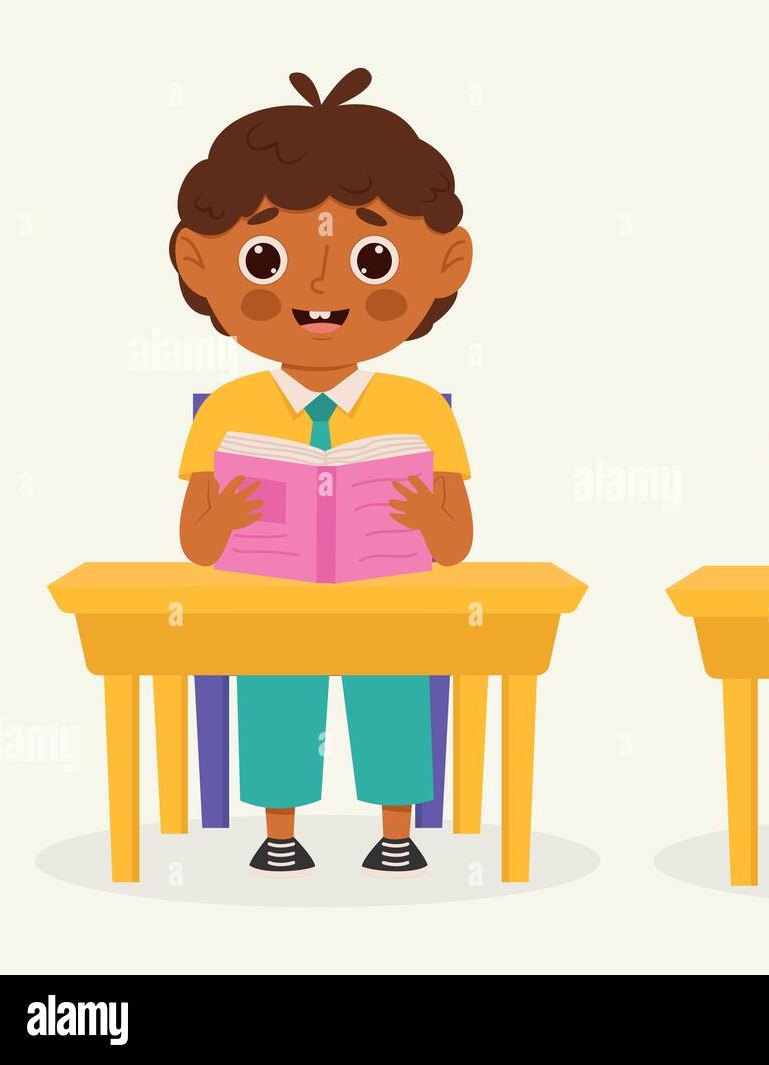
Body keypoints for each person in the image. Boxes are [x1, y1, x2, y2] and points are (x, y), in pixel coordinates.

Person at [172, 69, 474, 878]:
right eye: (267, 257)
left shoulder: (418, 408)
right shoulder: (230, 410)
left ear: (444, 265)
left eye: (372, 258)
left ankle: (397, 832)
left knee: (395, 701)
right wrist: (224, 521)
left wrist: (427, 520)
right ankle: (279, 833)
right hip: (271, 602)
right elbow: (195, 547)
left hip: (391, 600)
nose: (318, 287)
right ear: (201, 265)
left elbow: (457, 546)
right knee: (276, 701)